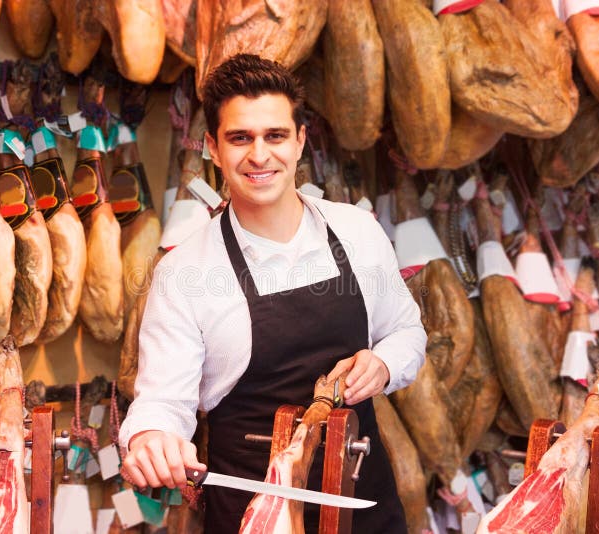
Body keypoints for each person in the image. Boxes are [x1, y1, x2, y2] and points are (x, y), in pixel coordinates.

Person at [120, 54, 427, 533]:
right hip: (254, 513)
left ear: (300, 141)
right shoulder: (183, 272)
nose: (259, 155)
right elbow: (162, 403)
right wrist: (152, 438)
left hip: (364, 501)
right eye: (240, 138)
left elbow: (406, 331)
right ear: (212, 149)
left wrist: (385, 364)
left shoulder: (358, 232)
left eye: (275, 136)